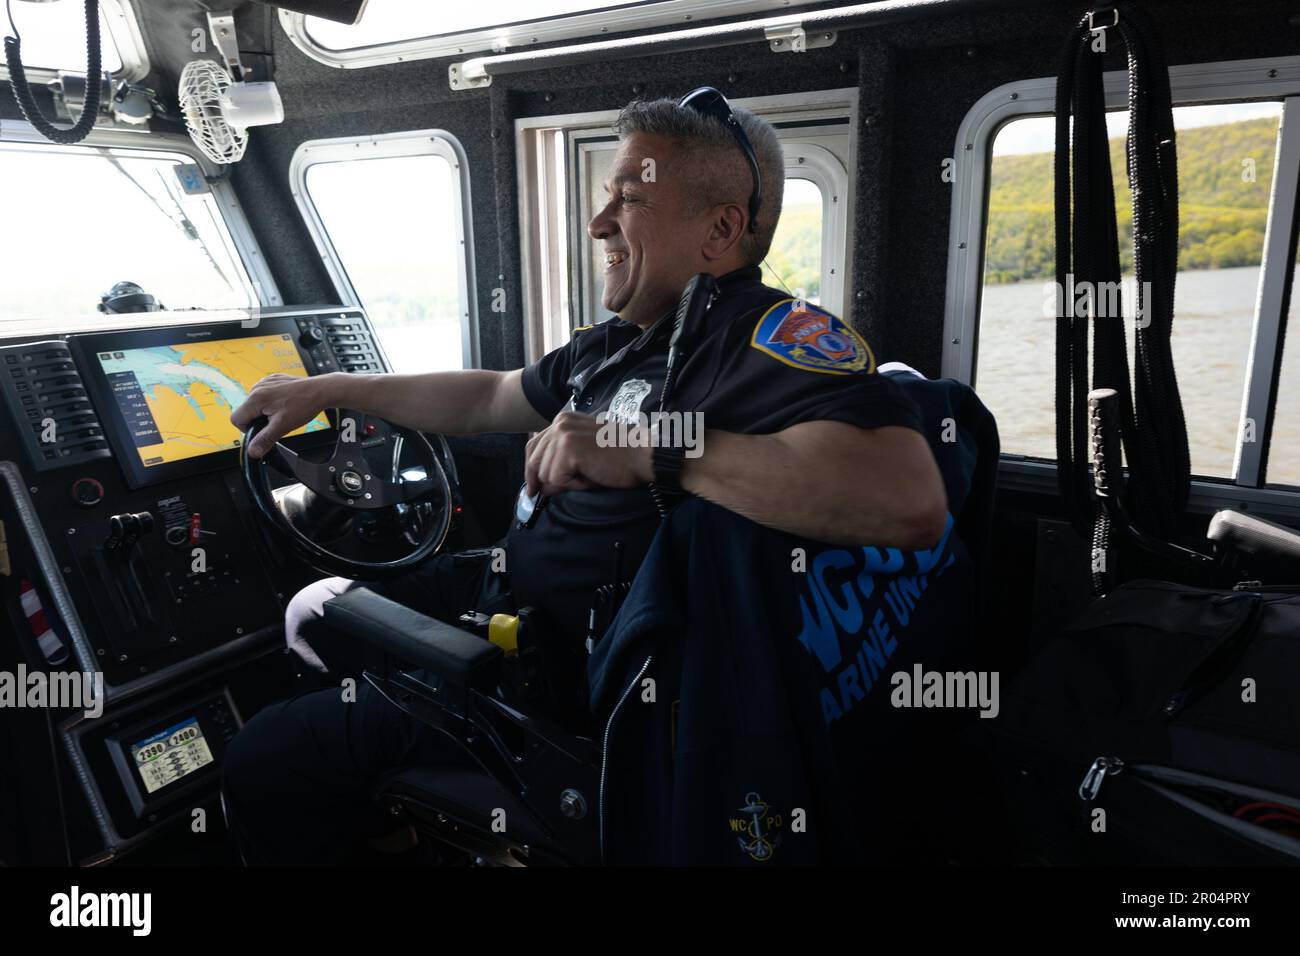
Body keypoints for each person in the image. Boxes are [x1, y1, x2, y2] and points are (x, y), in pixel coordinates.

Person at [221, 88, 948, 864]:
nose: (600, 221)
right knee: (312, 616)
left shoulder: (770, 338)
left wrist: (650, 448)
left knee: (265, 757)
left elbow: (906, 501)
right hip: (505, 602)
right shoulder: (625, 340)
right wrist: (332, 389)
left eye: (629, 199)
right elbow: (495, 396)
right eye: (607, 196)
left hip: (565, 701)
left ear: (721, 230)